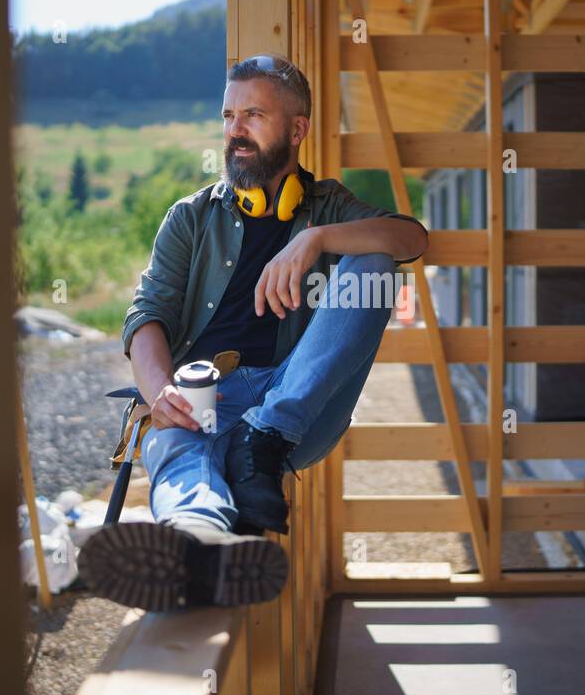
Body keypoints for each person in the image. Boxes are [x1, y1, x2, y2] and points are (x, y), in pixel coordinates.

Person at [79, 53, 428, 612]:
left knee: (376, 264)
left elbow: (410, 238)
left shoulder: (329, 206)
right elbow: (147, 316)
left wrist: (315, 240)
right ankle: (199, 541)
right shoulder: (189, 218)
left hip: (291, 409)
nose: (234, 130)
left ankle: (260, 438)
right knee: (171, 442)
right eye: (228, 115)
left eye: (253, 115)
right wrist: (156, 390)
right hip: (201, 394)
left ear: (297, 128)